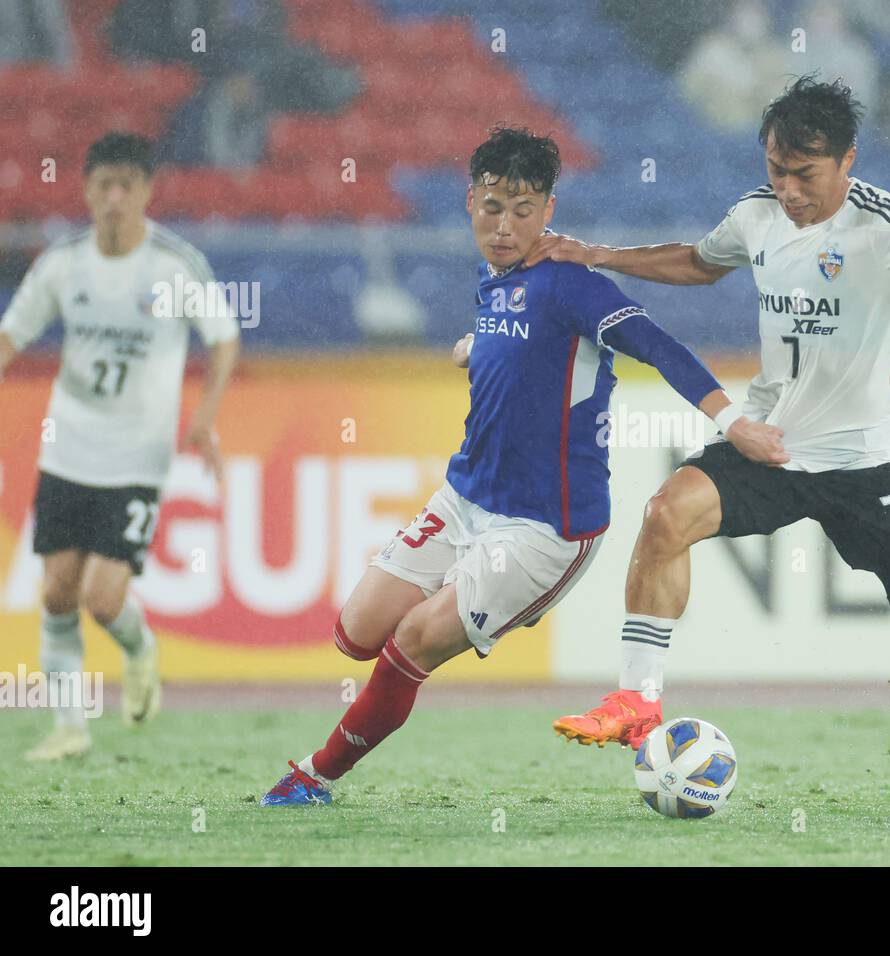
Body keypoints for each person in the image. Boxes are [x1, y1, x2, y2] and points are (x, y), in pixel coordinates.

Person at [535, 76, 890, 806]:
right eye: (775, 171)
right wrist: (596, 254)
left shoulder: (885, 224)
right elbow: (698, 262)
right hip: (772, 446)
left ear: (846, 160)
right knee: (667, 512)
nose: (787, 190)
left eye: (804, 174)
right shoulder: (757, 215)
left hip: (862, 465)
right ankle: (638, 700)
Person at [260, 127, 784, 806]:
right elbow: (516, 347)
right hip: (465, 498)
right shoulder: (493, 281)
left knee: (413, 642)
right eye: (491, 208)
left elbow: (658, 346)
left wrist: (731, 420)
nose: (505, 227)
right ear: (469, 204)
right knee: (355, 634)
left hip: (544, 527)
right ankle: (490, 601)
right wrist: (472, 348)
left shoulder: (573, 285)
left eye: (523, 210)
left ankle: (314, 777)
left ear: (549, 210)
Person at [0, 132, 241, 761]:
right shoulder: (63, 263)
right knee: (55, 592)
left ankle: (139, 650)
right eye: (102, 185)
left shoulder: (172, 264)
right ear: (85, 190)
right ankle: (69, 727)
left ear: (145, 192)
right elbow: (10, 337)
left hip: (137, 455)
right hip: (68, 449)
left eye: (125, 186)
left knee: (101, 598)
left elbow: (222, 338)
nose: (113, 198)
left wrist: (205, 418)